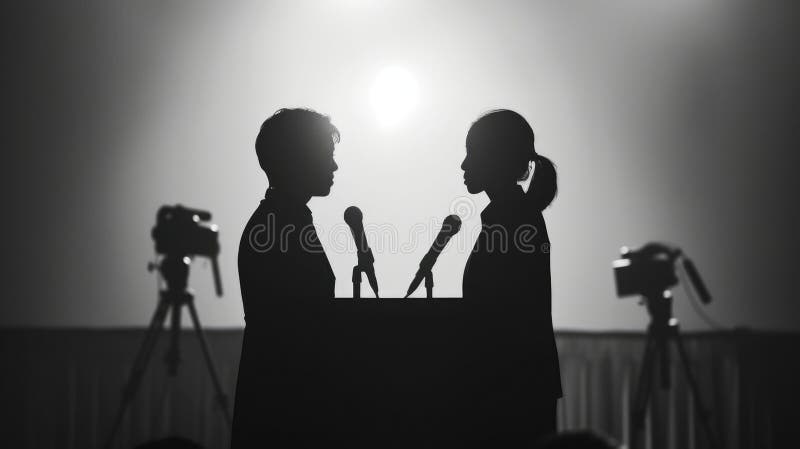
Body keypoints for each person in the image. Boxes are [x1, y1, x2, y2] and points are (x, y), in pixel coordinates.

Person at [231, 108, 339, 448]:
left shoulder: (281, 220)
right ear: (298, 158)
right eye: (326, 155)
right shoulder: (276, 228)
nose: (334, 166)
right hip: (285, 412)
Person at [459, 109, 563, 446]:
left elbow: (500, 313)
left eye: (472, 154)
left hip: (510, 390)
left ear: (496, 158)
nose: (463, 166)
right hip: (518, 385)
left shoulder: (514, 222)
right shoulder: (514, 217)